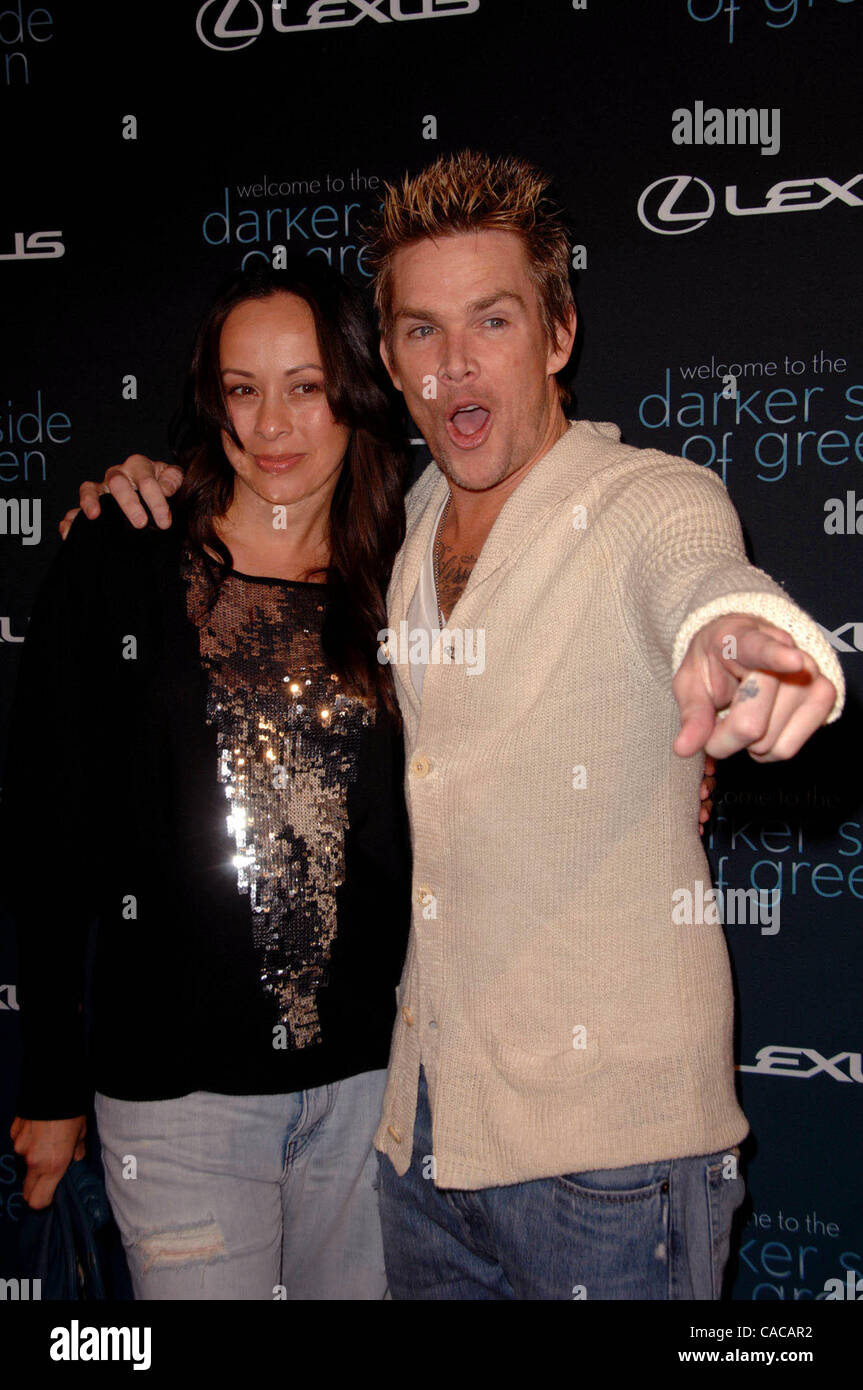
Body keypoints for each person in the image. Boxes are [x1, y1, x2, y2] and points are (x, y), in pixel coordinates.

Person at [53, 151, 813, 1301]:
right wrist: (134, 487)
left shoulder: (644, 499)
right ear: (391, 363)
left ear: (557, 333)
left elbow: (697, 575)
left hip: (606, 1167)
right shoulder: (399, 529)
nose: (453, 360)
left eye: (491, 319)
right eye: (418, 330)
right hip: (419, 1151)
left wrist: (735, 635)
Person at [4, 258, 413, 1300]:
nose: (271, 424)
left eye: (304, 385)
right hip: (178, 1099)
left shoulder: (410, 570)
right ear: (211, 401)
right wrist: (51, 1082)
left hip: (371, 1087)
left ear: (357, 388)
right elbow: (51, 831)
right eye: (242, 388)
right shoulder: (123, 552)